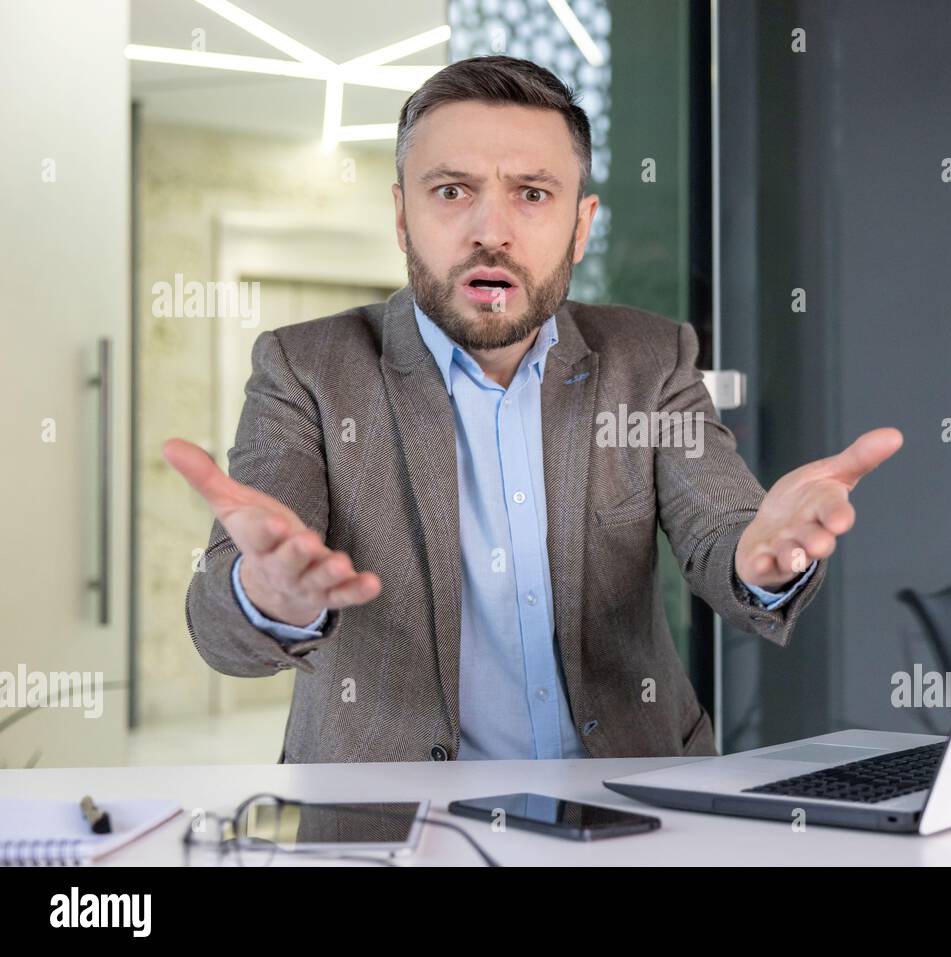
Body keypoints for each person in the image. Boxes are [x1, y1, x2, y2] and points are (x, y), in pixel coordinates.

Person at [163, 55, 902, 764]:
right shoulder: (306, 370)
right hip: (386, 821)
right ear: (401, 214)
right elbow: (222, 627)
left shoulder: (649, 358)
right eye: (452, 190)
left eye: (533, 193)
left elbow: (722, 528)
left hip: (633, 803)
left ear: (581, 225)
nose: (492, 230)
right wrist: (267, 594)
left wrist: (762, 556)